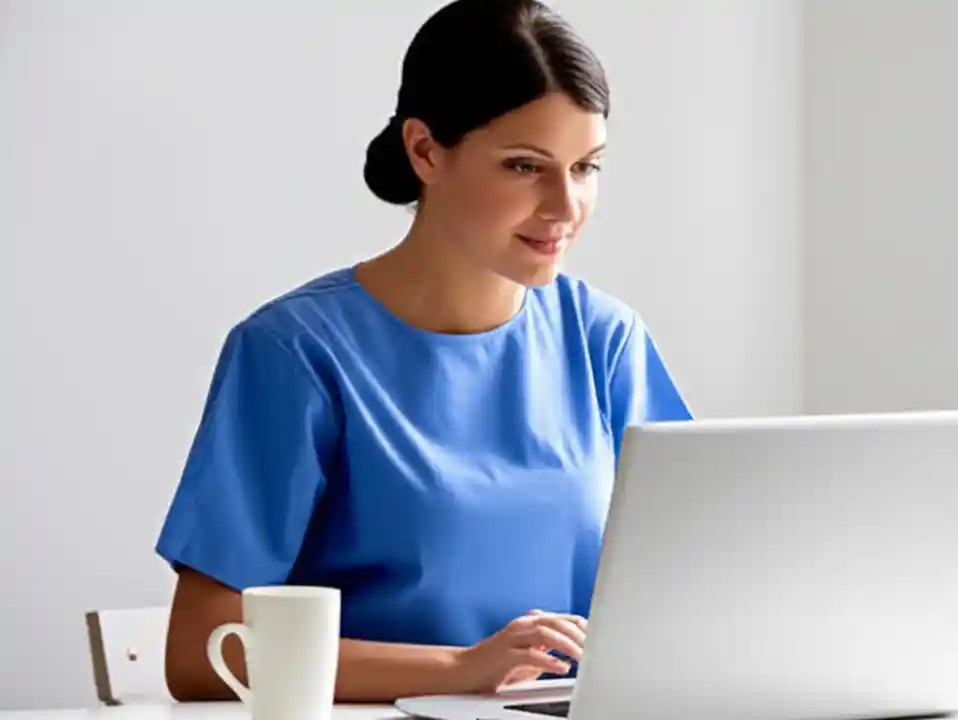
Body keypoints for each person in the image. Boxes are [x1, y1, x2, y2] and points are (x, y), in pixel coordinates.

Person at [155, 0, 691, 703]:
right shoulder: (295, 355)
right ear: (425, 150)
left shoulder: (605, 341)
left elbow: (696, 579)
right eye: (526, 167)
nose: (566, 206)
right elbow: (200, 651)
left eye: (586, 167)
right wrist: (457, 670)